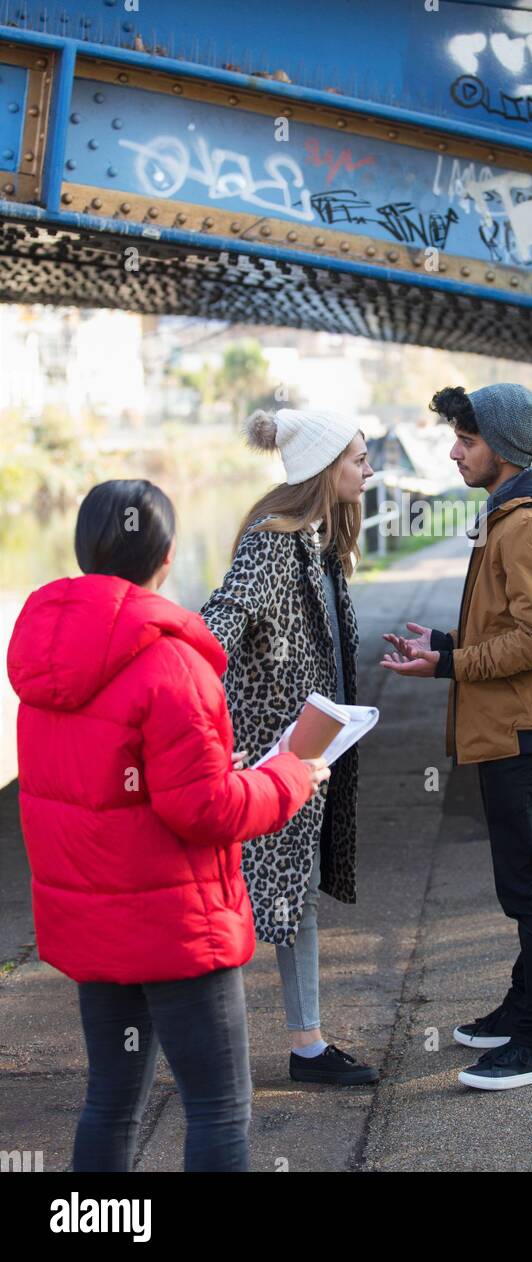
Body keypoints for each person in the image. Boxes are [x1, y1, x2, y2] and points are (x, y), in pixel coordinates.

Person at [6, 479, 327, 1172]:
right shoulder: (173, 661)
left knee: (110, 1103)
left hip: (95, 921)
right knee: (217, 1111)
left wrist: (213, 766)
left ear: (84, 549)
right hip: (178, 926)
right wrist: (291, 776)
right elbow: (204, 809)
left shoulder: (44, 665)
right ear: (169, 555)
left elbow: (109, 781)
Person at [381, 383, 532, 1090]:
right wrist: (447, 643)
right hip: (522, 722)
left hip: (528, 726)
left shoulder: (527, 525)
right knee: (526, 880)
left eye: (468, 441)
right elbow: (519, 626)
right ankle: (522, 1007)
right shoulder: (511, 514)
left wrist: (451, 662)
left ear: (503, 449)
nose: (454, 451)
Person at [202, 407, 378, 1086]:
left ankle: (306, 1046)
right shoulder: (273, 542)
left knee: (291, 893)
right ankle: (206, 1046)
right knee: (247, 897)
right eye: (358, 458)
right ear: (323, 468)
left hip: (308, 749)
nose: (368, 470)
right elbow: (225, 615)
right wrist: (166, 670)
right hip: (262, 751)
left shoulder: (321, 541)